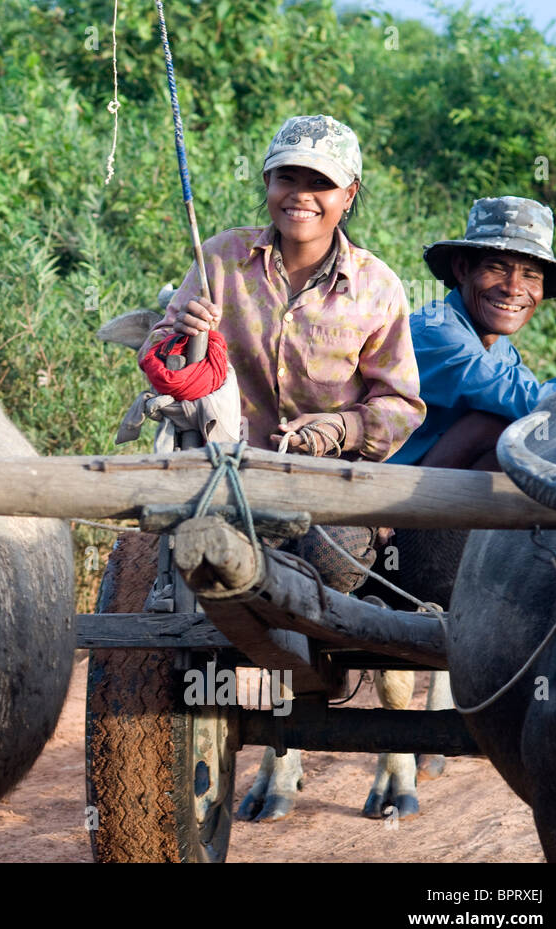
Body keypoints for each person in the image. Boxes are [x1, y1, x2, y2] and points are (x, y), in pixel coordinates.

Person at [141, 115, 425, 592]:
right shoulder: (220, 258)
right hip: (224, 473)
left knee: (333, 562)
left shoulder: (378, 287)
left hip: (330, 485)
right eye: (287, 177)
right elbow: (158, 355)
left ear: (348, 195)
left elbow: (402, 407)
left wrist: (338, 428)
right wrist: (179, 340)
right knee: (204, 563)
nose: (301, 195)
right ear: (267, 182)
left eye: (321, 183)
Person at [387, 196, 556, 470]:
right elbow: (523, 397)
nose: (513, 288)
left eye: (530, 275)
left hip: (436, 482)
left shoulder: (502, 350)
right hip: (383, 482)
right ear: (462, 269)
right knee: (493, 424)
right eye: (497, 268)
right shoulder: (435, 329)